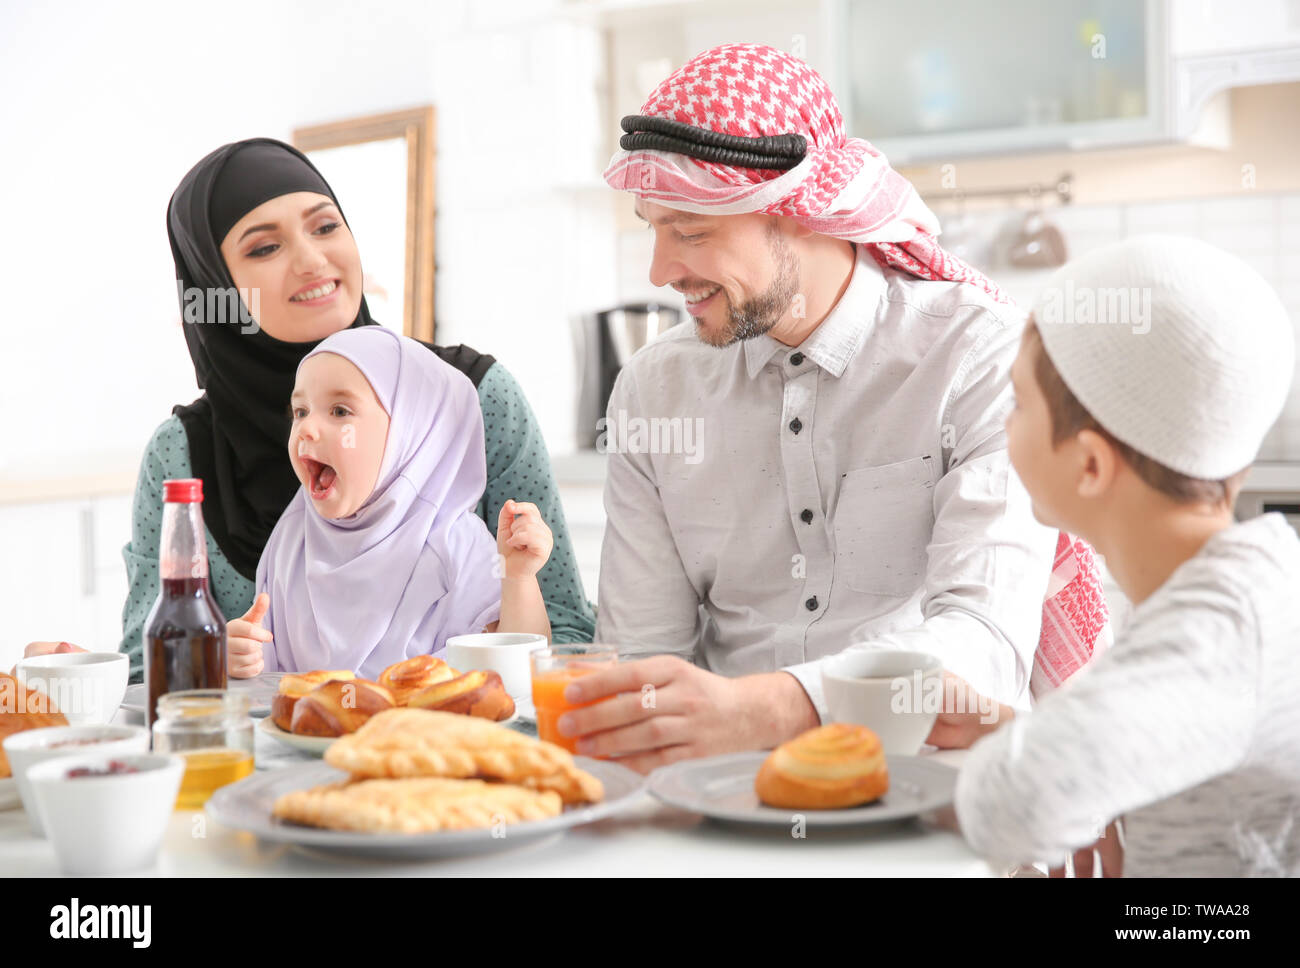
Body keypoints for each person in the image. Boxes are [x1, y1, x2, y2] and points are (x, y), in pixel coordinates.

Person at [563, 44, 1109, 773]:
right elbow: (644, 663)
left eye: (691, 233)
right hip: (719, 796)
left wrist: (767, 710)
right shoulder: (652, 392)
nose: (661, 272)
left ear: (802, 215)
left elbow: (984, 648)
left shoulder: (977, 357)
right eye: (652, 228)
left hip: (926, 790)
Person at [22, 138, 593, 679]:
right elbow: (149, 668)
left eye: (326, 226)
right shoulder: (182, 453)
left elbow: (565, 635)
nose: (313, 260)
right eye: (265, 247)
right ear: (216, 285)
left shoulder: (468, 396)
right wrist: (174, 664)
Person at [954, 235, 1300, 876]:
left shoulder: (1218, 628)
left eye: (1019, 405)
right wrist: (1002, 729)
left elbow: (1012, 807)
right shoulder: (1250, 584)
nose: (1004, 426)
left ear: (1090, 464)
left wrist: (1013, 758)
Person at [226, 326, 551, 680]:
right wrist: (238, 655)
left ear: (408, 433)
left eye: (339, 411)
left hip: (422, 732)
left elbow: (519, 664)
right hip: (307, 731)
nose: (306, 429)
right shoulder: (292, 538)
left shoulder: (453, 542)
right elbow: (265, 667)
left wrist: (518, 579)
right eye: (300, 411)